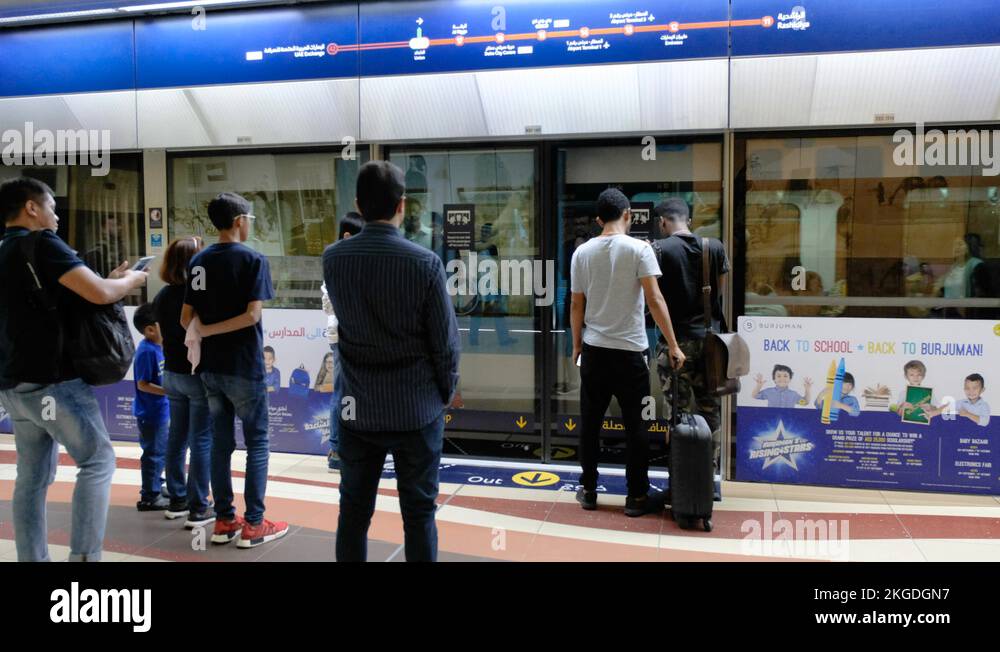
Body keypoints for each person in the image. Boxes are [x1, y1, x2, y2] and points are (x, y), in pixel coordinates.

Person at [0, 177, 148, 561]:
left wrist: (105, 282)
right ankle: (84, 559)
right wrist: (130, 281)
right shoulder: (42, 244)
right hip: (55, 382)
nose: (56, 216)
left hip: (14, 384)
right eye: (51, 207)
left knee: (31, 478)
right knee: (97, 461)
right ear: (31, 208)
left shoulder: (4, 250)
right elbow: (98, 293)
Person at [323, 161, 460, 562]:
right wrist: (443, 393)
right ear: (402, 205)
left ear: (357, 205)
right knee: (419, 514)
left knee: (353, 512)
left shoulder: (334, 259)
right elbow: (445, 345)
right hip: (415, 409)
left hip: (356, 408)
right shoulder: (425, 263)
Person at [570, 188, 686, 517]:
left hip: (594, 350)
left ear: (597, 220)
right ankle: (635, 497)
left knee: (590, 423)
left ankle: (589, 490)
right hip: (631, 352)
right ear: (628, 215)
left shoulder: (582, 253)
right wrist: (674, 344)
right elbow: (655, 299)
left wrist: (577, 345)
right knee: (636, 426)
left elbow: (577, 304)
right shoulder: (640, 249)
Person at [182, 192, 288, 549]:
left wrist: (204, 331)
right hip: (244, 367)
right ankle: (255, 524)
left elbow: (185, 318)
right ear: (240, 220)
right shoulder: (253, 260)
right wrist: (212, 329)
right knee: (257, 444)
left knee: (220, 444)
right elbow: (252, 315)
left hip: (210, 368)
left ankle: (225, 521)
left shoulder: (198, 262)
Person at [652, 198, 730, 467]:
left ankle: (682, 476)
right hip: (710, 342)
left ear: (663, 222)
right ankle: (710, 476)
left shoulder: (658, 250)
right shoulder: (715, 248)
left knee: (677, 412)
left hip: (675, 345)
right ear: (689, 221)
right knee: (710, 410)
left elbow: (654, 299)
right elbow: (719, 292)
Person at [153, 236, 215, 528]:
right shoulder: (198, 294)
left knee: (177, 436)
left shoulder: (163, 295)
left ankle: (177, 499)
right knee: (201, 438)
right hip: (195, 375)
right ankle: (199, 506)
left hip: (172, 375)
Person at [321, 211, 363, 471]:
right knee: (343, 392)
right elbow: (329, 305)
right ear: (347, 235)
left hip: (345, 334)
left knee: (347, 392)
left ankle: (343, 447)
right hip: (344, 336)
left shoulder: (338, 261)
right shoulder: (338, 262)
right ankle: (337, 448)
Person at [132, 304, 171, 511]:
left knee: (160, 451)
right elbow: (143, 384)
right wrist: (169, 392)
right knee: (153, 453)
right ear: (150, 330)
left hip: (161, 410)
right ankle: (149, 496)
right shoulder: (147, 351)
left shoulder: (157, 348)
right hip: (151, 413)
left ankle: (157, 484)